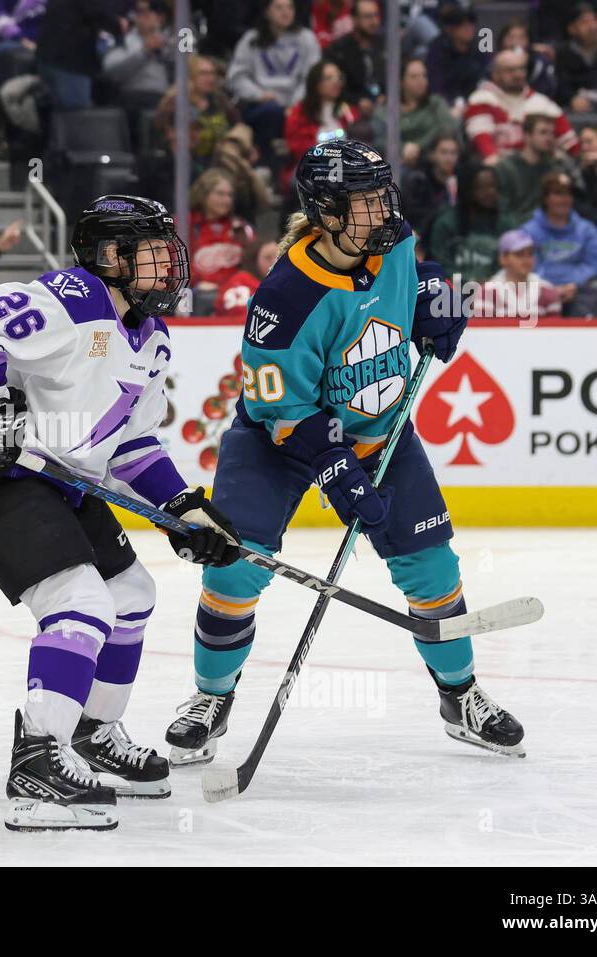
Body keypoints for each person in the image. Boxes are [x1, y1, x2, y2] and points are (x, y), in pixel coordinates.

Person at [163, 139, 524, 772]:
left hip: (379, 430)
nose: (383, 209)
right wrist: (338, 474)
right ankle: (211, 697)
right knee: (234, 572)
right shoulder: (285, 299)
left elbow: (414, 278)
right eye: (365, 201)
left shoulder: (392, 237)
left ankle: (460, 696)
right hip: (279, 441)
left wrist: (434, 297)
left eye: (385, 195)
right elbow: (283, 411)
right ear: (327, 212)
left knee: (433, 570)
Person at [0, 195, 242, 831]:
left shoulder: (150, 338)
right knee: (82, 605)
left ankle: (92, 732)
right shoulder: (74, 300)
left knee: (131, 592)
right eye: (153, 255)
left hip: (66, 481)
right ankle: (39, 762)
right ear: (110, 258)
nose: (168, 268)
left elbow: (130, 445)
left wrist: (183, 510)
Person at [227, 0, 320, 167]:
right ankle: (264, 167)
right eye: (279, 7)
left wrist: (295, 105)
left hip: (299, 106)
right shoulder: (251, 39)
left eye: (290, 7)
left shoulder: (307, 38)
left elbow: (311, 78)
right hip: (261, 105)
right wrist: (258, 94)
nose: (285, 12)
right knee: (271, 113)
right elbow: (236, 76)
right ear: (267, 12)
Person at [463, 48, 577, 166]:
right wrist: (494, 161)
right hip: (499, 168)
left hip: (538, 168)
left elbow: (569, 141)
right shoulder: (482, 99)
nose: (518, 74)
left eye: (521, 69)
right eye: (510, 70)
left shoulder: (542, 103)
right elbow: (481, 138)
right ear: (495, 74)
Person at [520, 172, 597, 317]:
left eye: (568, 194)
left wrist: (574, 284)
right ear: (545, 198)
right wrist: (549, 289)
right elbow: (528, 265)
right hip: (539, 292)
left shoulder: (587, 230)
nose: (564, 199)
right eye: (558, 194)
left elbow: (593, 264)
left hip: (579, 292)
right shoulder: (528, 231)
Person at [369, 57, 455, 169]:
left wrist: (417, 147)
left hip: (431, 161)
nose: (421, 81)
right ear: (401, 81)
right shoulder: (386, 110)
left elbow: (447, 127)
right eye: (414, 77)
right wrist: (403, 148)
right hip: (398, 161)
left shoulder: (435, 103)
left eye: (424, 76)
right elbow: (376, 138)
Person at [282, 59, 355, 191]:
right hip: (311, 169)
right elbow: (299, 151)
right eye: (329, 78)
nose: (336, 82)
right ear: (316, 84)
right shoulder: (299, 114)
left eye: (339, 77)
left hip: (344, 168)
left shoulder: (347, 111)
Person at [428, 163, 506, 285]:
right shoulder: (446, 224)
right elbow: (439, 267)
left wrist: (492, 285)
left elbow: (511, 264)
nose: (491, 192)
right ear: (468, 190)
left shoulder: (505, 223)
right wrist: (470, 284)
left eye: (494, 186)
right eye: (483, 187)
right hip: (452, 295)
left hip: (497, 294)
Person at [188, 167, 256, 293]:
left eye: (230, 195)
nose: (227, 201)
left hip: (233, 295)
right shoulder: (185, 224)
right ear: (203, 195)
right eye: (220, 194)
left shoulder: (241, 227)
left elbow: (254, 267)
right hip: (196, 295)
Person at [470, 228, 561, 320]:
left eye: (530, 253)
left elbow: (554, 331)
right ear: (503, 258)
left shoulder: (548, 291)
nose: (526, 259)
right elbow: (483, 331)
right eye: (519, 254)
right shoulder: (486, 292)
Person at [494, 113, 566, 230]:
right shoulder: (505, 168)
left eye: (552, 133)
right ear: (527, 136)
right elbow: (502, 212)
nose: (549, 138)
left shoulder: (554, 168)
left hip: (548, 229)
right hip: (515, 230)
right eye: (543, 133)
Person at [323, 0, 384, 113]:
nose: (374, 21)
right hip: (349, 109)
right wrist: (356, 101)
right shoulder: (339, 50)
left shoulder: (385, 45)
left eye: (376, 15)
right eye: (367, 17)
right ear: (355, 20)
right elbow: (333, 85)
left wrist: (385, 96)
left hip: (383, 108)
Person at [399, 132, 457, 240]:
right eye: (444, 152)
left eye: (453, 153)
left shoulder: (458, 182)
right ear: (432, 155)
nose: (449, 158)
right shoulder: (418, 182)